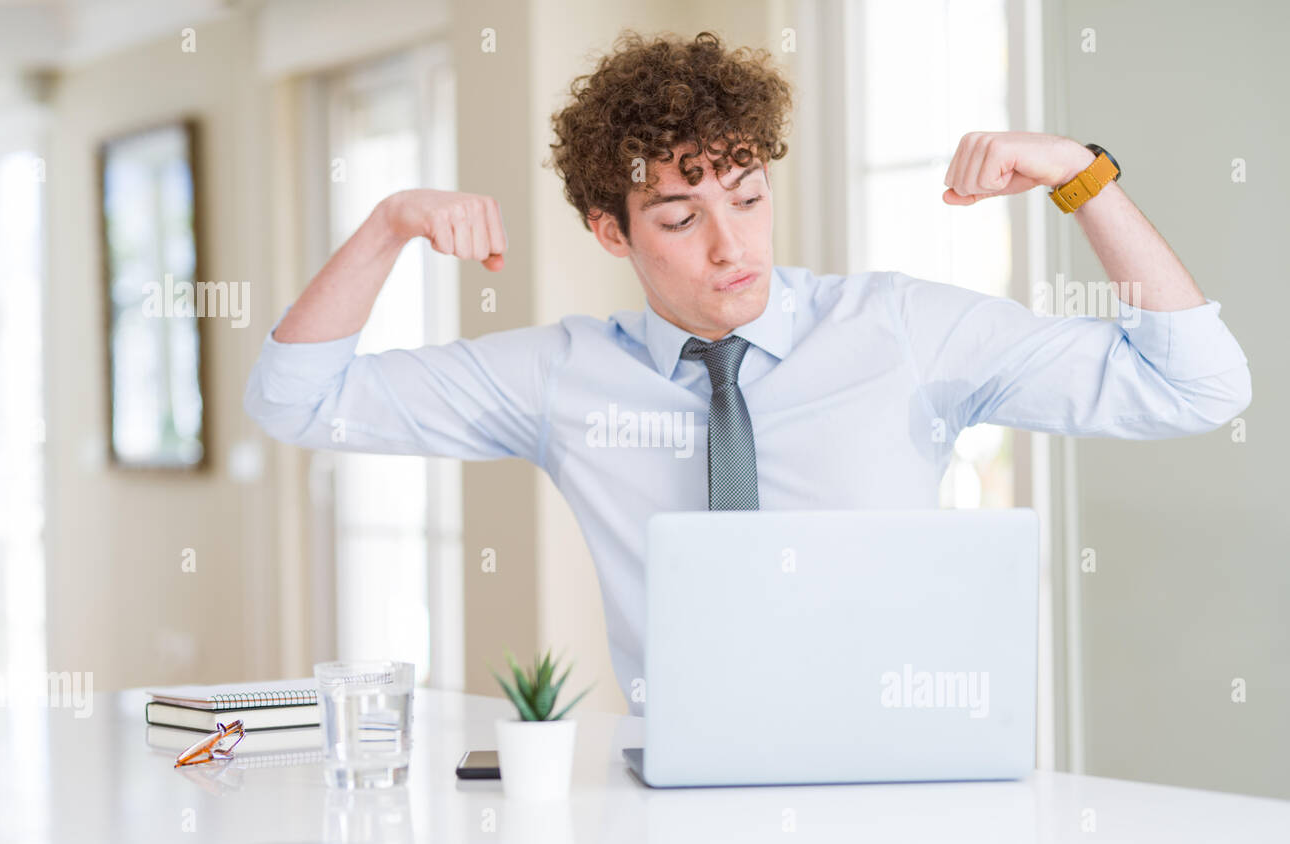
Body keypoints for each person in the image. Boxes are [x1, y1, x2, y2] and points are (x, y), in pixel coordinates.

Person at [244, 30, 1251, 716]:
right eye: (680, 218)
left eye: (748, 197)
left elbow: (1197, 386)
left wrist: (1083, 176)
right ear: (610, 229)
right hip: (676, 792)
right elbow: (297, 401)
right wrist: (384, 230)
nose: (730, 244)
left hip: (899, 773)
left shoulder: (901, 330)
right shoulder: (564, 376)